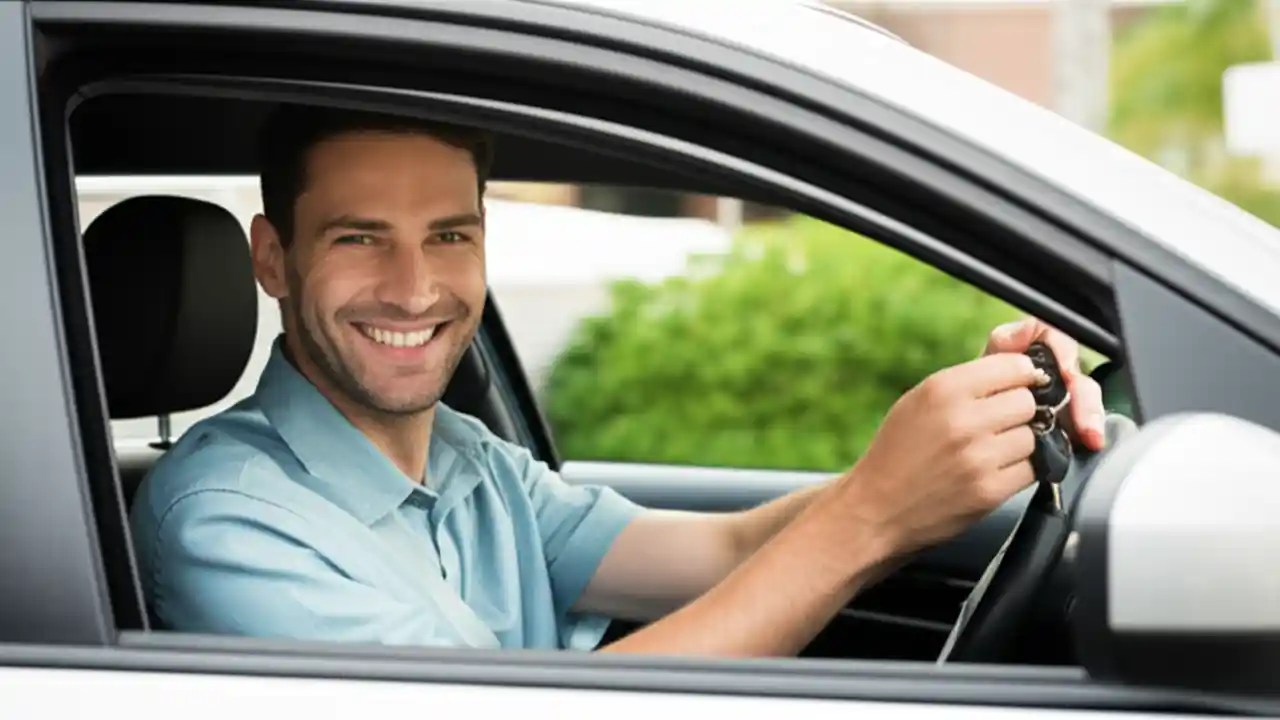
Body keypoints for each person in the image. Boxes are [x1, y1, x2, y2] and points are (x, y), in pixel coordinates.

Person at [129, 105, 1107, 656]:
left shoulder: (470, 458)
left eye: (450, 236)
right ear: (272, 258)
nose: (415, 286)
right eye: (358, 238)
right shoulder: (220, 517)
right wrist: (873, 519)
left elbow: (717, 550)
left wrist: (958, 444)